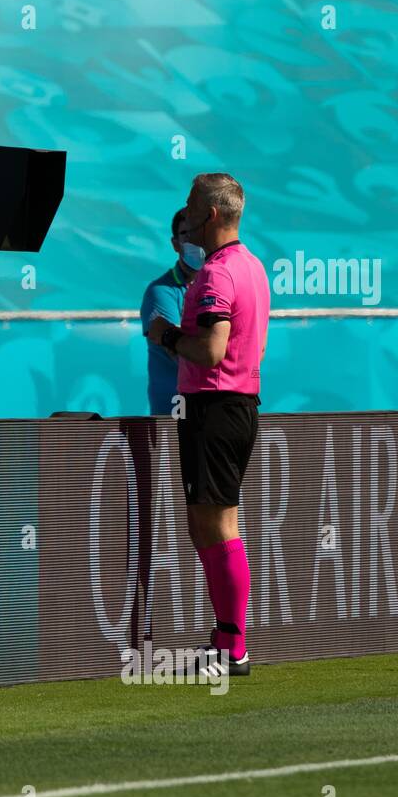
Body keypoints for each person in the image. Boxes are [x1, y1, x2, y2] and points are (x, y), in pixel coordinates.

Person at [146, 173, 270, 677]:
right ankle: (227, 641)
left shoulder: (217, 273)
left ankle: (231, 646)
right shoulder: (253, 268)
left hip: (214, 406)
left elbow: (212, 349)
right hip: (240, 404)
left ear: (212, 215)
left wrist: (168, 338)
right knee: (218, 524)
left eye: (193, 204)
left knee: (215, 525)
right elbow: (255, 348)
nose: (187, 212)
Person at [139, 208, 199, 416]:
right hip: (172, 411)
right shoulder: (160, 291)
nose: (192, 240)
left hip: (209, 411)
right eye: (185, 234)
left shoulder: (220, 285)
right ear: (175, 244)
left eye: (197, 232)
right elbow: (182, 356)